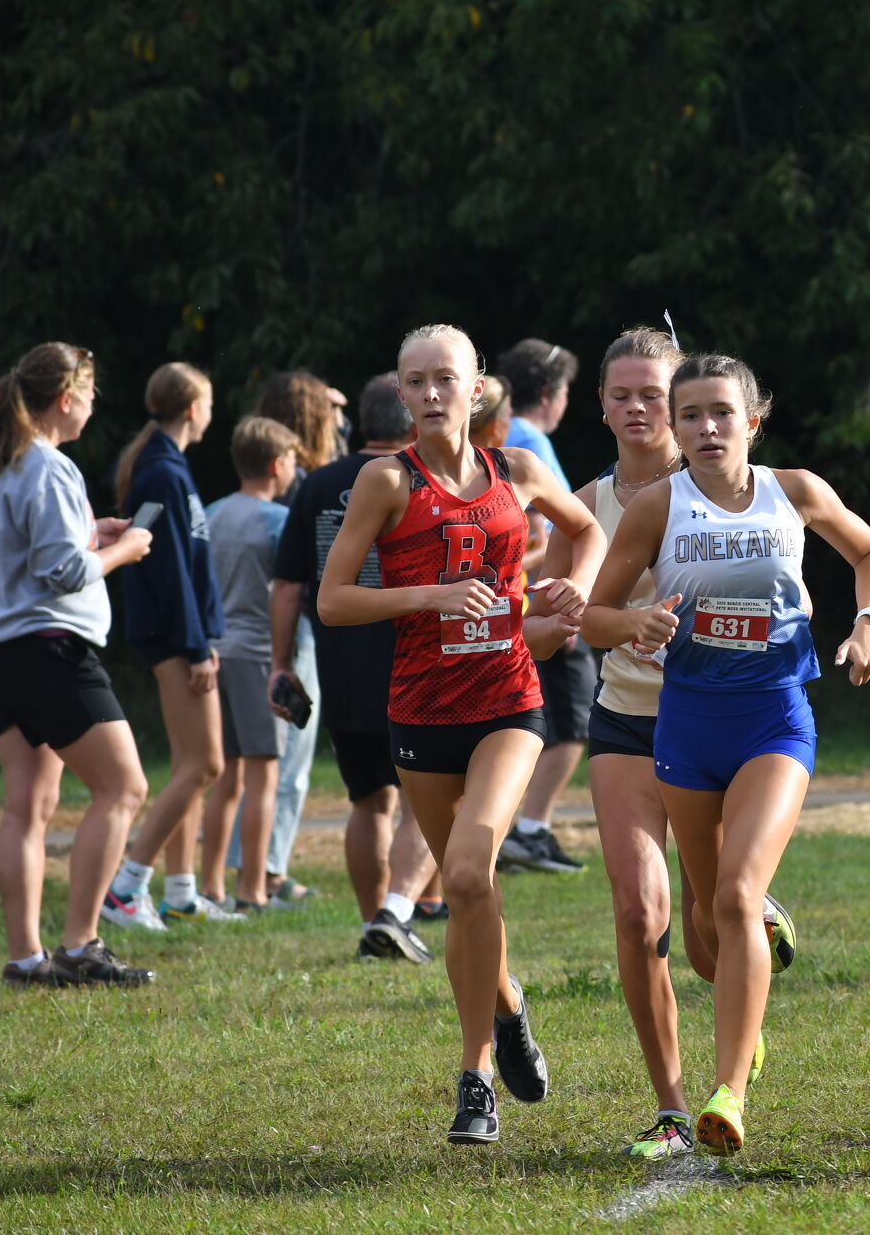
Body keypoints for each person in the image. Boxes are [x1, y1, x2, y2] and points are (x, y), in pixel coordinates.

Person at [584, 351, 870, 1157]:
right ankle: (739, 1020)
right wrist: (637, 624)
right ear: (677, 430)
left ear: (754, 420)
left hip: (773, 721)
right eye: (692, 416)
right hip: (684, 727)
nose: (707, 427)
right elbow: (595, 616)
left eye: (723, 412)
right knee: (700, 921)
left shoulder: (797, 491)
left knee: (738, 891)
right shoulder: (657, 506)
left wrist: (869, 623)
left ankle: (728, 1095)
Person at [318, 324, 602, 1145]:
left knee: (471, 870)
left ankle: (474, 1075)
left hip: (509, 699)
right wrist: (427, 599)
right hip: (418, 712)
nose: (434, 392)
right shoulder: (385, 481)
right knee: (470, 891)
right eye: (418, 380)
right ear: (402, 395)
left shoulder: (516, 468)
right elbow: (334, 600)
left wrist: (571, 596)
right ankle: (508, 1004)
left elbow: (587, 531)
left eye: (448, 377)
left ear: (478, 388)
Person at [553, 326, 725, 1157]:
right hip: (624, 725)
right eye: (619, 394)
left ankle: (741, 1002)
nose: (635, 407)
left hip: (717, 721)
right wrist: (550, 609)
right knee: (636, 911)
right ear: (600, 405)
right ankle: (671, 1105)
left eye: (650, 394)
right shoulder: (585, 502)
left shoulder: (726, 488)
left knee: (707, 933)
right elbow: (556, 630)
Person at [0, 342, 156, 989]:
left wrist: (90, 529)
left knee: (28, 804)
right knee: (123, 787)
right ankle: (80, 946)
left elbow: (37, 553)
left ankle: (25, 959)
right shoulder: (49, 466)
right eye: (91, 393)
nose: (95, 405)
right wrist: (124, 548)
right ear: (65, 398)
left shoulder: (0, 465)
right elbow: (63, 572)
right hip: (47, 647)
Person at [270, 373, 437, 965]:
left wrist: (282, 664)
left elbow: (288, 585)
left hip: (343, 668)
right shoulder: (420, 478)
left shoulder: (317, 484)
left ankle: (375, 922)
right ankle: (397, 910)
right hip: (419, 665)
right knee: (430, 798)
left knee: (368, 801)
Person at [103, 363, 237, 927]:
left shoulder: (166, 465)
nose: (211, 411)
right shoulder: (161, 471)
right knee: (206, 764)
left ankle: (181, 893)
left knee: (190, 764)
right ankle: (125, 889)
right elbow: (171, 570)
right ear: (190, 408)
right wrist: (196, 644)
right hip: (176, 639)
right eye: (207, 401)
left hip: (180, 636)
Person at [242, 370, 346, 903]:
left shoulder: (272, 473)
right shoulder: (305, 483)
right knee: (288, 757)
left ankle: (256, 868)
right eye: (331, 413)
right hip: (295, 627)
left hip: (253, 628)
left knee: (267, 759)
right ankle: (267, 871)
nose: (340, 421)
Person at [197, 416, 302, 913]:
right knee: (265, 775)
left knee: (226, 776)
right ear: (278, 465)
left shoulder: (211, 512)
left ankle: (210, 885)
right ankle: (253, 890)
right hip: (260, 657)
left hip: (216, 654)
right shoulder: (279, 522)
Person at [498, 338, 592, 874]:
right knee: (571, 717)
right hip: (543, 595)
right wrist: (567, 596)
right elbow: (564, 519)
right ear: (550, 393)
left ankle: (515, 827)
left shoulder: (497, 432)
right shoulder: (529, 438)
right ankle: (529, 829)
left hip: (506, 597)